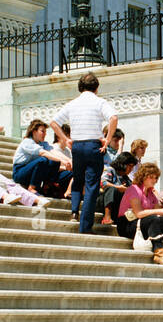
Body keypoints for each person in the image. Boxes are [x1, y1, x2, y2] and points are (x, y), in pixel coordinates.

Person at [49, 72, 117, 233]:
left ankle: (74, 211)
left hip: (77, 146)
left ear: (80, 87)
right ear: (96, 88)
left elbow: (53, 122)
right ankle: (85, 226)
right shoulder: (100, 102)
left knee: (77, 180)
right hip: (93, 145)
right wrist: (107, 139)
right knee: (92, 186)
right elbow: (113, 118)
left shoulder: (72, 103)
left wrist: (66, 140)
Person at [117, 162, 163, 266]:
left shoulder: (151, 193)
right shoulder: (133, 189)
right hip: (126, 224)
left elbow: (159, 213)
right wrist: (161, 211)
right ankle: (159, 254)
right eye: (151, 177)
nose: (155, 180)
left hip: (144, 222)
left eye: (156, 178)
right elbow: (139, 213)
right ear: (143, 177)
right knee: (152, 218)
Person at [12, 119, 73, 196]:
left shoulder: (43, 144)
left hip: (31, 171)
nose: (45, 134)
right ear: (34, 132)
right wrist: (63, 162)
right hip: (20, 172)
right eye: (42, 131)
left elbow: (53, 152)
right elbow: (43, 153)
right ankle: (32, 188)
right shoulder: (27, 142)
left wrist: (69, 160)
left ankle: (47, 186)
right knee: (43, 160)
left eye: (45, 132)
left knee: (53, 160)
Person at [100, 150, 137, 226]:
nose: (131, 169)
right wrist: (118, 187)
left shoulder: (126, 179)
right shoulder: (110, 170)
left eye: (132, 167)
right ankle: (107, 217)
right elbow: (102, 183)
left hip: (117, 206)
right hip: (103, 201)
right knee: (111, 189)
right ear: (123, 164)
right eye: (130, 166)